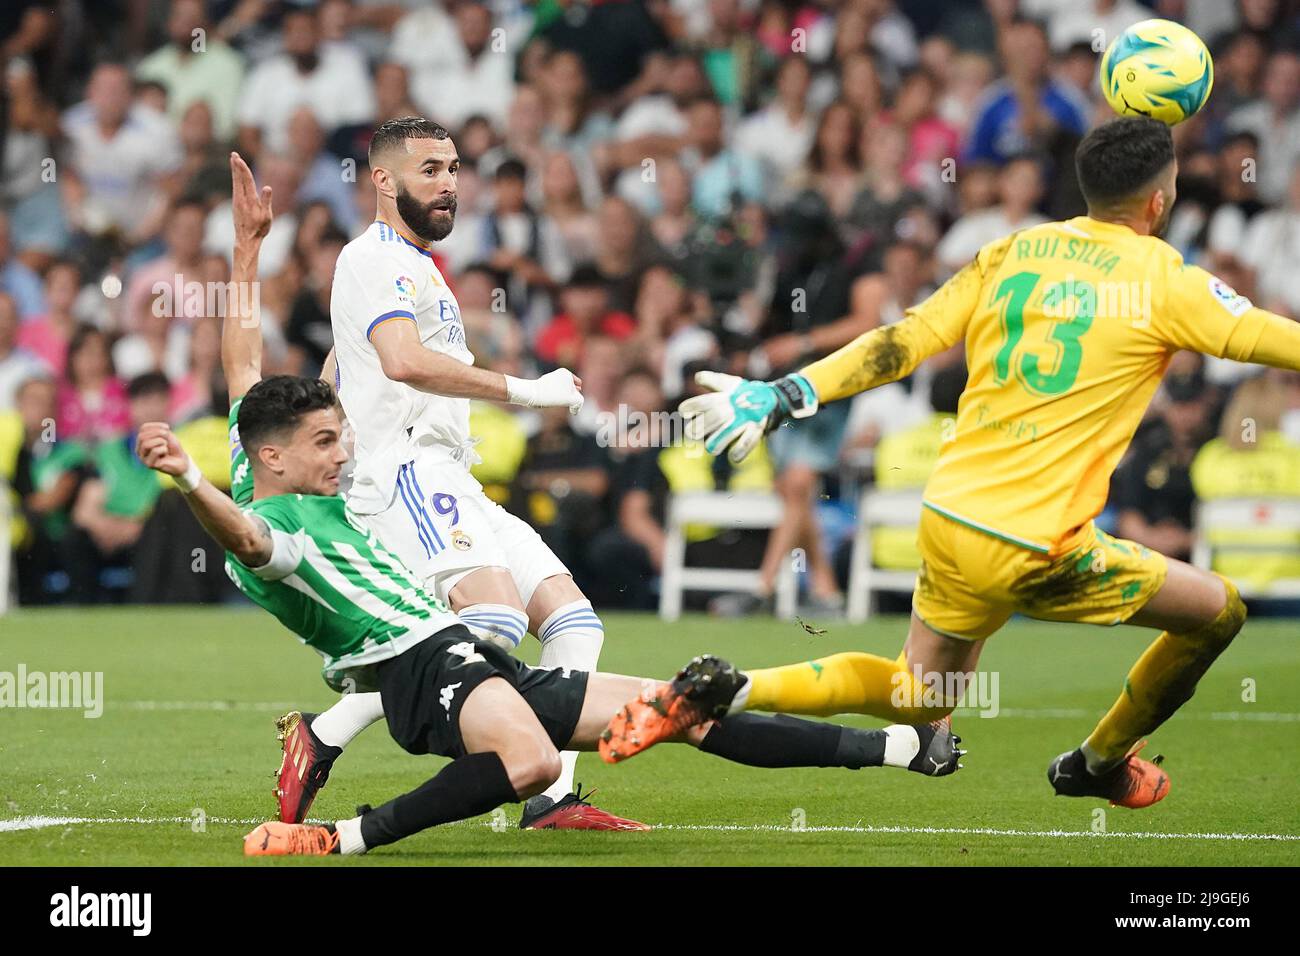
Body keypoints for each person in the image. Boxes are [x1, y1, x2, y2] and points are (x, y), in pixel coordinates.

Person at [134, 158, 962, 856]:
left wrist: (245, 251)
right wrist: (187, 482)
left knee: (686, 710)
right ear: (276, 457)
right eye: (325, 442)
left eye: (340, 436)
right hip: (420, 671)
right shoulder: (272, 526)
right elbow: (242, 538)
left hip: (461, 653)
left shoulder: (258, 445)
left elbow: (241, 356)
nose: (342, 452)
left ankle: (900, 748)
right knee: (527, 755)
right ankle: (345, 828)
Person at [600, 117, 1300, 811]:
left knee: (919, 697)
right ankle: (1098, 763)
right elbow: (1273, 341)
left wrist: (789, 390)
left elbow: (904, 341)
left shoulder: (1014, 251)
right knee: (1217, 612)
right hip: (1040, 545)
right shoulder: (1166, 280)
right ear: (1158, 201)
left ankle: (730, 687)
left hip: (950, 515)